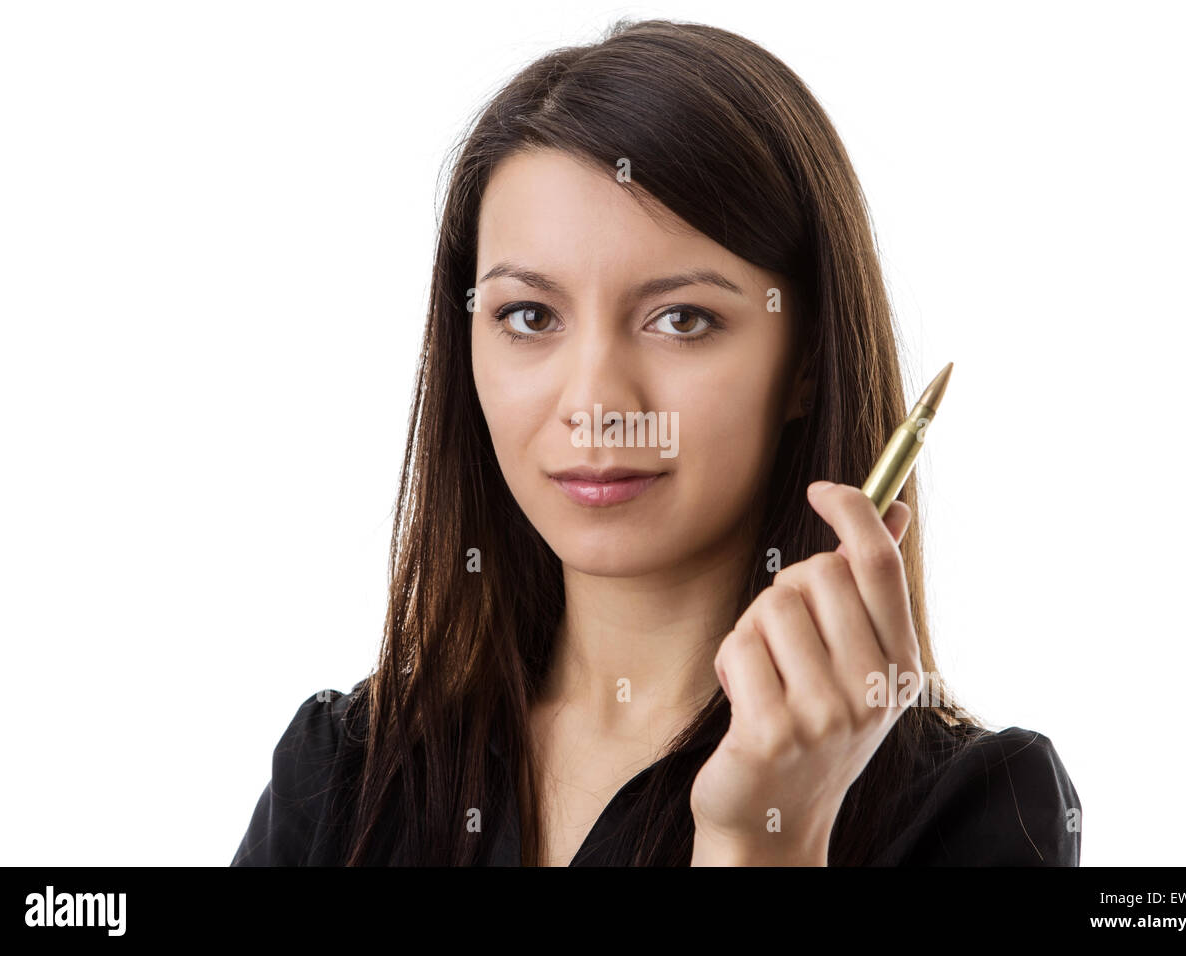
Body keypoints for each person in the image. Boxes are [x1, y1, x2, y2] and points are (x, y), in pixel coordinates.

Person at [232, 17, 1081, 867]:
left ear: (807, 363)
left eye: (682, 319)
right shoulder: (341, 775)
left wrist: (761, 840)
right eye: (529, 316)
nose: (597, 404)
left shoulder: (979, 810)